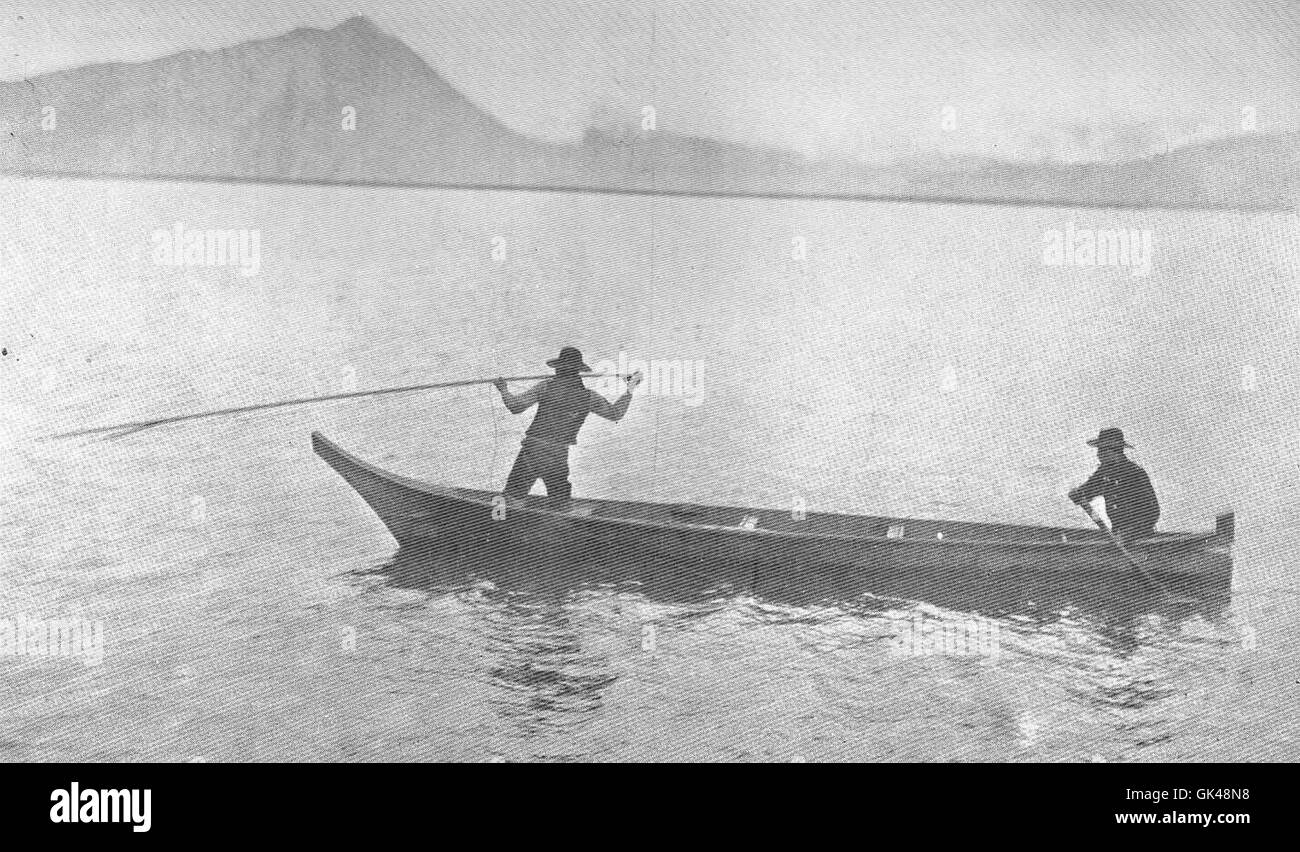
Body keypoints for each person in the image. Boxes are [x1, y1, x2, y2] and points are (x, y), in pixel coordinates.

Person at [493, 347, 642, 500]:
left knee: (511, 499)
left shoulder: (545, 387)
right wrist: (629, 390)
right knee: (559, 504)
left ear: (559, 368)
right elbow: (615, 414)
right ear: (577, 371)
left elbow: (515, 406)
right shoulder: (589, 396)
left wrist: (503, 389)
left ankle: (503, 519)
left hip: (533, 451)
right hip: (558, 455)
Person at [1067, 427, 1160, 542]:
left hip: (1141, 538)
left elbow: (1153, 512)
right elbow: (1087, 491)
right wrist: (1077, 493)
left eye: (1101, 450)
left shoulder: (1135, 473)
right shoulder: (1104, 472)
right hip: (1118, 535)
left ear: (1115, 451)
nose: (1098, 455)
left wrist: (1131, 533)